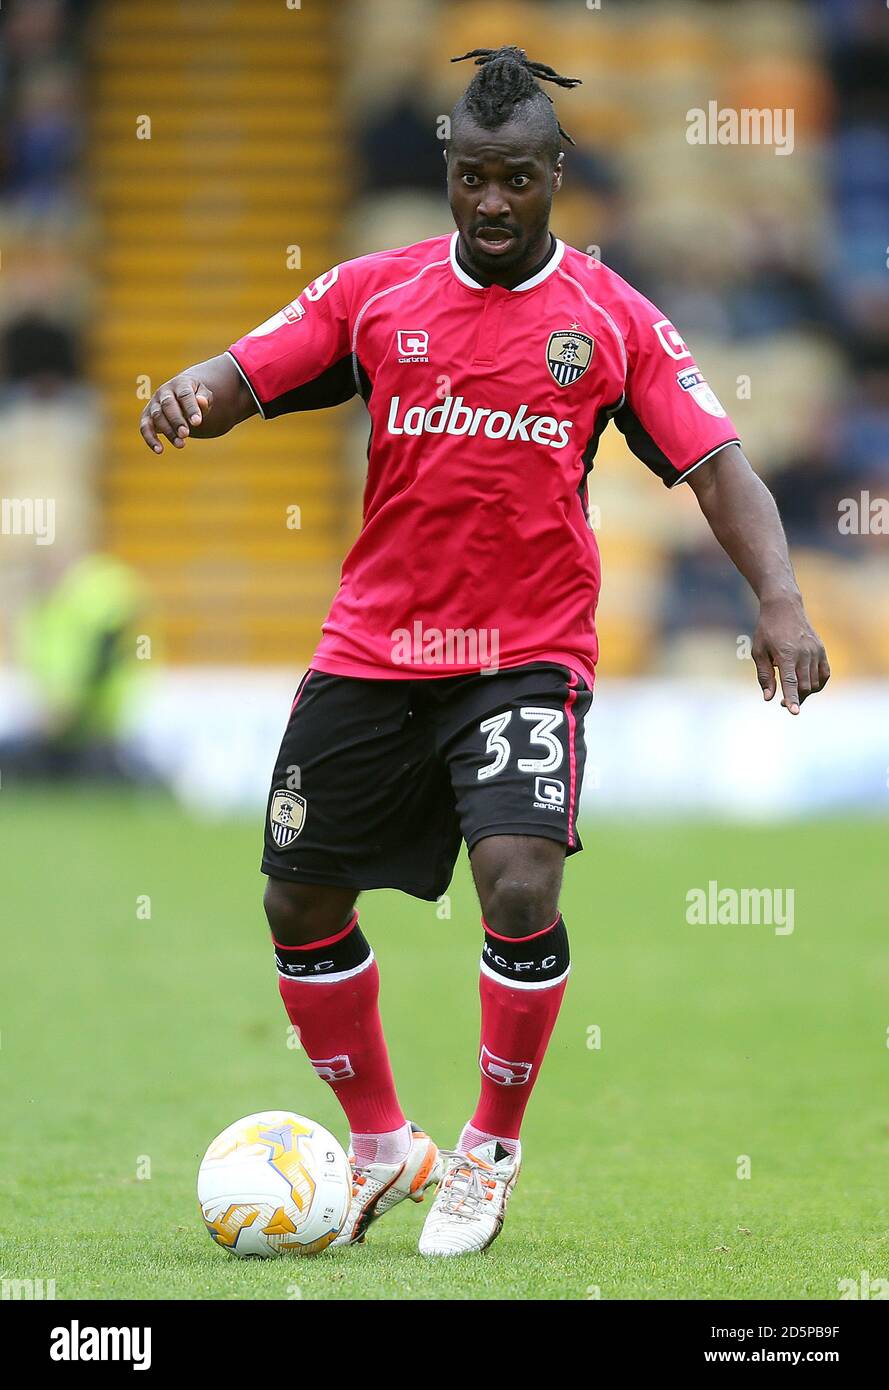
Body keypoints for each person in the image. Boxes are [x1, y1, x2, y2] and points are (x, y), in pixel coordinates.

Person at [139, 47, 829, 1258]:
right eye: (472, 179)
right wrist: (194, 393)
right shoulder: (374, 292)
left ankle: (485, 1154)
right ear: (447, 174)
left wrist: (778, 597)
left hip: (523, 654)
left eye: (517, 178)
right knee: (297, 897)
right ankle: (380, 1142)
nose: (493, 204)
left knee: (519, 883)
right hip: (374, 647)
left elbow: (718, 464)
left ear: (558, 171)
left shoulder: (611, 319)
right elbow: (251, 367)